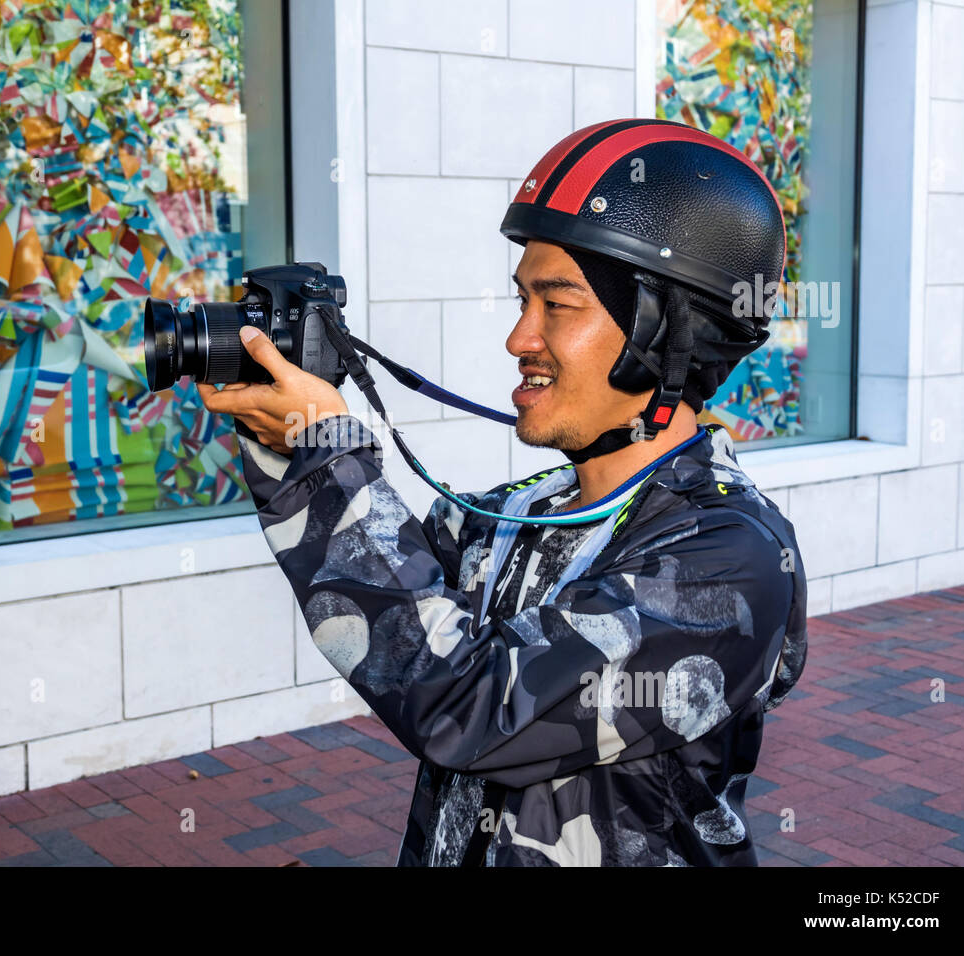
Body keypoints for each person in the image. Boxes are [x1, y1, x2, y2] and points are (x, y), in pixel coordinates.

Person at [197, 117, 808, 866]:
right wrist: (286, 438)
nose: (519, 338)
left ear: (664, 332)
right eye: (523, 300)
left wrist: (330, 458)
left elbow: (471, 704)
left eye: (558, 304)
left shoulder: (731, 559)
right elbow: (403, 624)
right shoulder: (514, 513)